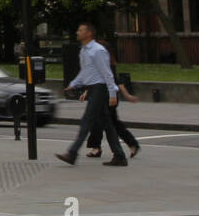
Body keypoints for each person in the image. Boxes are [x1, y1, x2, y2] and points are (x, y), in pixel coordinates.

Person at [55, 23, 127, 167]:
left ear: (89, 33)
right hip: (94, 88)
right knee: (107, 123)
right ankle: (119, 156)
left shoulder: (97, 50)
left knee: (87, 120)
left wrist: (112, 93)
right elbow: (86, 72)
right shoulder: (84, 51)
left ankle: (72, 153)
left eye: (80, 30)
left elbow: (107, 73)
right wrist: (74, 84)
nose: (77, 32)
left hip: (100, 89)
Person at [86, 52, 140, 158]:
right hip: (108, 97)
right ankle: (132, 144)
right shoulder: (105, 63)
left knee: (99, 122)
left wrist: (127, 95)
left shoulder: (104, 64)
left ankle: (97, 148)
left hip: (106, 98)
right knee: (113, 122)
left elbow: (115, 81)